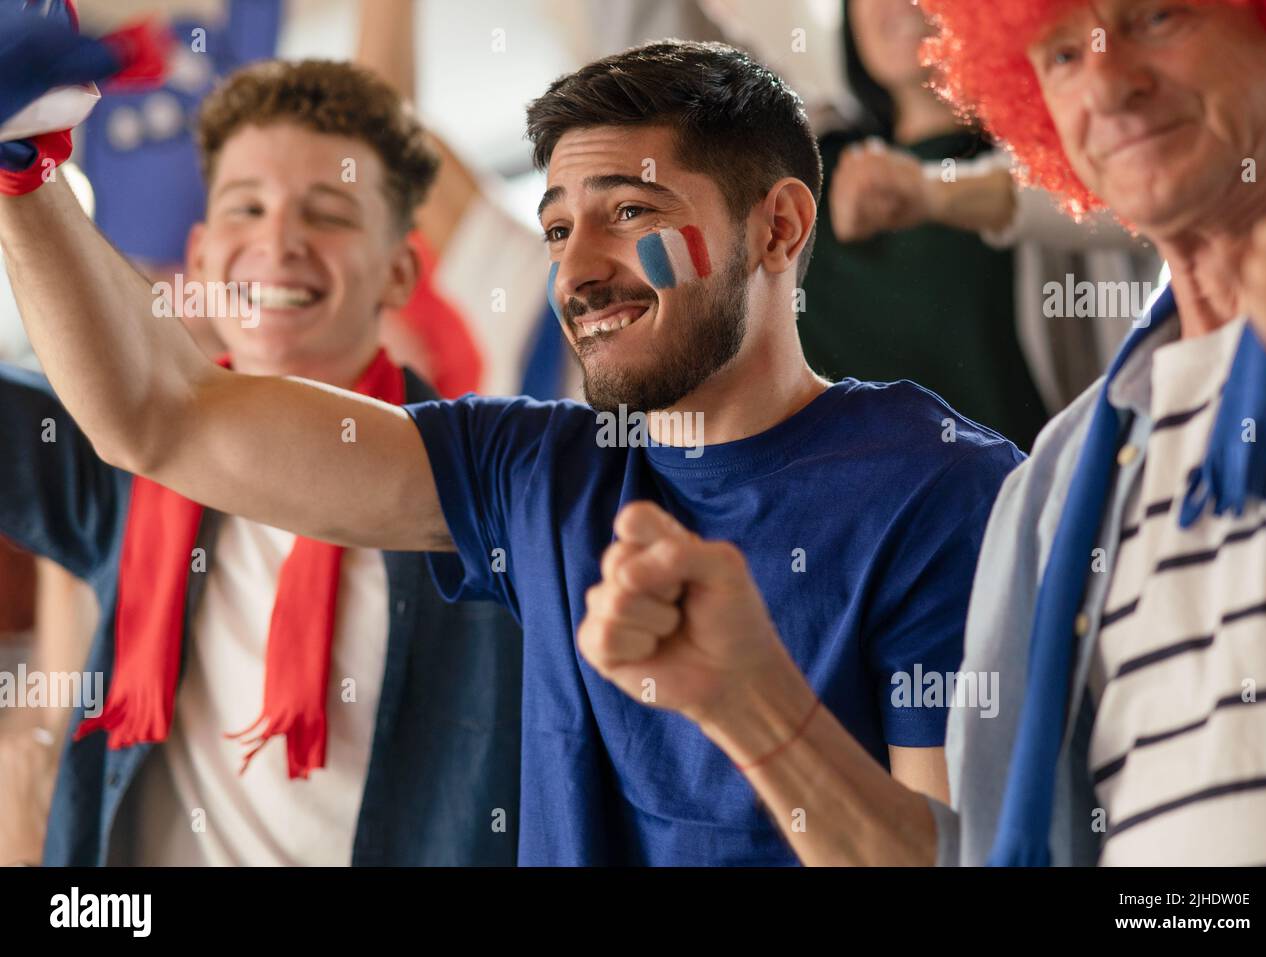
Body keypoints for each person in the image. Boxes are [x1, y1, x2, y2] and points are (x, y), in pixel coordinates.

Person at [0, 25, 1022, 864]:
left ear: (779, 228)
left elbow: (976, 860)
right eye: (555, 229)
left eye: (631, 213)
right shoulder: (532, 473)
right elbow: (160, 416)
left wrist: (756, 709)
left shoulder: (942, 488)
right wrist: (26, 166)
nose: (579, 271)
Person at [580, 0, 1266, 865]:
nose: (1107, 79)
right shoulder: (1057, 488)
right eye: (1060, 54)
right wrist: (748, 702)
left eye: (1158, 17)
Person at [0, 51, 523, 866]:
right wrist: (16, 156)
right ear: (203, 257)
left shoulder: (495, 496)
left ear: (400, 270)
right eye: (247, 207)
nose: (279, 240)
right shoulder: (123, 463)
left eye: (331, 212)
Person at [799, 0, 1048, 450]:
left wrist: (930, 193)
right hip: (867, 511)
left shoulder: (1058, 159)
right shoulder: (809, 165)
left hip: (1031, 506)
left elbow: (1110, 202)